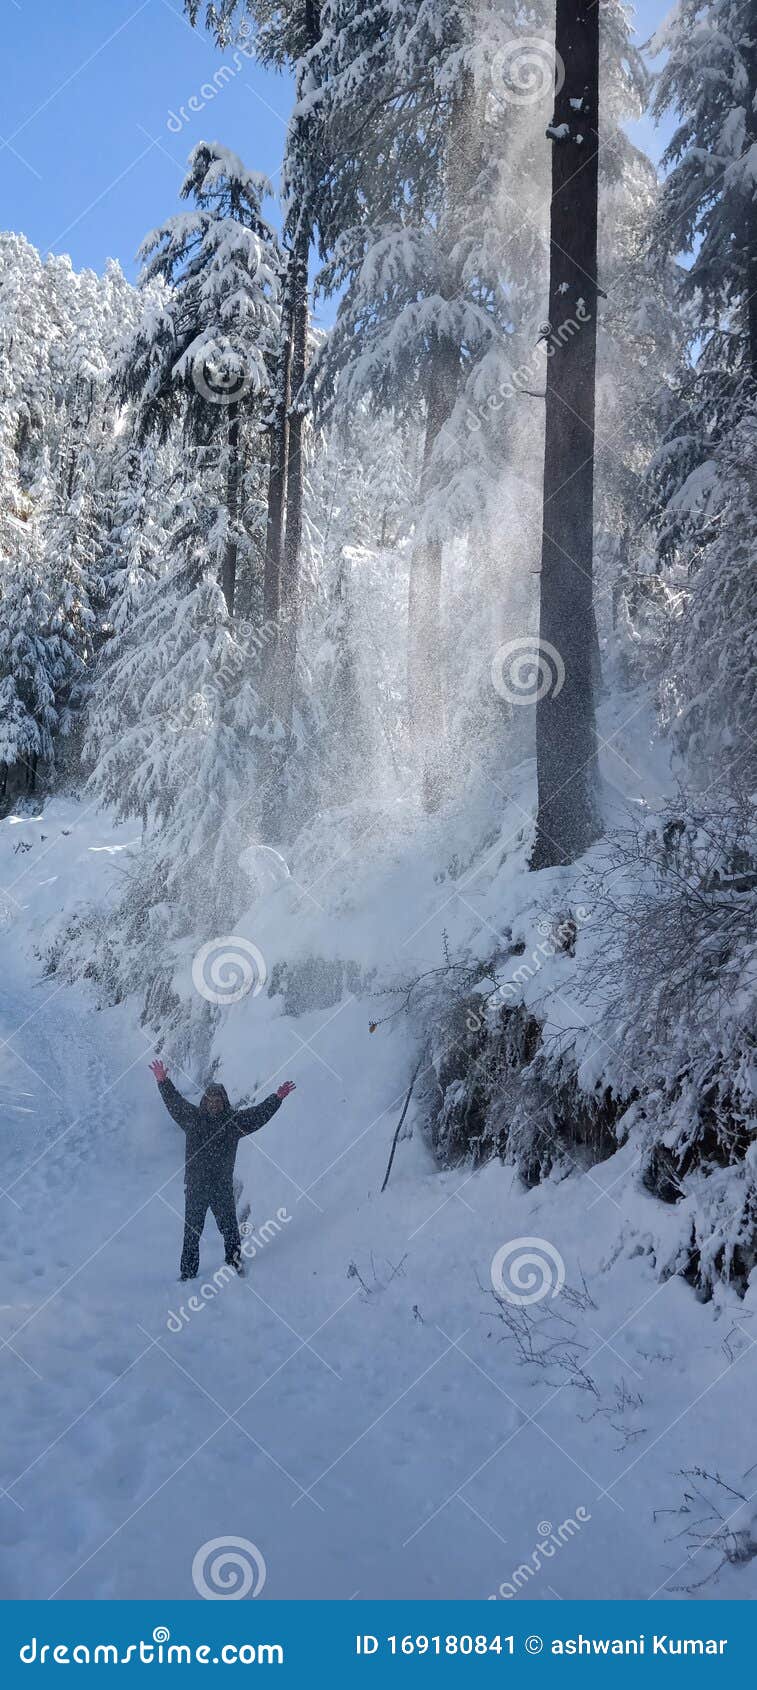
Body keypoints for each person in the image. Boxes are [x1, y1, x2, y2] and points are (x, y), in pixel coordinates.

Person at [149, 1060, 296, 1280]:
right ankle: (187, 1274)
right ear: (205, 1101)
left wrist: (276, 1098)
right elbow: (175, 1102)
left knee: (229, 1229)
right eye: (211, 1099)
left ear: (224, 1101)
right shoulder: (193, 1119)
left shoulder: (233, 1122)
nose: (214, 1103)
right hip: (196, 1188)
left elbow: (257, 1115)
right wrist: (162, 1080)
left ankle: (234, 1262)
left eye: (218, 1099)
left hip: (221, 1188)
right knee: (191, 1233)